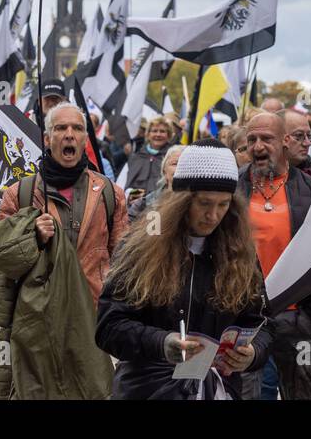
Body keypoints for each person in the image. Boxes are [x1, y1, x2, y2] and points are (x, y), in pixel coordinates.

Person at [96, 140, 273, 399]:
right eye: (204, 203)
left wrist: (253, 353)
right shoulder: (141, 246)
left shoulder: (239, 252)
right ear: (180, 200)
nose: (213, 215)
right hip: (148, 389)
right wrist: (161, 343)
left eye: (223, 204)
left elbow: (264, 322)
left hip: (218, 389)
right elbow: (108, 326)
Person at [235, 111, 311, 399]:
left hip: (299, 324)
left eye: (266, 139)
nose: (258, 147)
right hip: (244, 323)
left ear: (284, 141)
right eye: (252, 139)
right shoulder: (231, 191)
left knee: (305, 393)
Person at [0, 102, 129, 305]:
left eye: (77, 128)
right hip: (37, 317)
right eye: (60, 128)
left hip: (92, 316)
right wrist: (33, 238)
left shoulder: (110, 194)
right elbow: (1, 259)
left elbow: (121, 261)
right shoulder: (19, 193)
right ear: (47, 139)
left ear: (85, 140)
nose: (69, 134)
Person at [122, 115, 173, 203]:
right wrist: (136, 198)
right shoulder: (136, 157)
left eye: (162, 131)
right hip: (136, 208)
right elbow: (126, 186)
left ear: (168, 135)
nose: (158, 134)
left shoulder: (172, 158)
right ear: (148, 135)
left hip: (161, 205)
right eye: (154, 131)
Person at [128, 143, 185, 221]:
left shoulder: (198, 203)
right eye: (175, 164)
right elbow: (133, 182)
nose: (180, 168)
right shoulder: (143, 204)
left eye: (184, 164)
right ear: (164, 171)